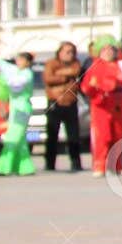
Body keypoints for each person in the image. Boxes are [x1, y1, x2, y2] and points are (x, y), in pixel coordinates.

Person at [80, 42, 122, 176]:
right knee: (103, 136)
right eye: (105, 50)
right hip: (101, 106)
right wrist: (94, 86)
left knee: (117, 135)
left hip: (117, 105)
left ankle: (117, 165)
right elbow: (86, 88)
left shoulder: (121, 66)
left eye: (111, 50)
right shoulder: (95, 67)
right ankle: (100, 165)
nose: (108, 53)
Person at [0, 53, 37, 176]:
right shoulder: (16, 71)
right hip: (15, 108)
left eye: (21, 60)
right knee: (20, 139)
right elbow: (3, 65)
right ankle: (25, 167)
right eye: (18, 59)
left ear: (28, 62)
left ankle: (4, 168)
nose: (18, 62)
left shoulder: (27, 74)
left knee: (12, 138)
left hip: (22, 109)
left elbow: (16, 84)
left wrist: (2, 80)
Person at [43, 42, 83, 172]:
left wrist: (61, 73)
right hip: (55, 101)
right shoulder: (51, 63)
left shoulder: (75, 63)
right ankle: (50, 164)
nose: (69, 54)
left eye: (72, 52)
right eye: (67, 51)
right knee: (52, 134)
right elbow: (49, 78)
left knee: (73, 135)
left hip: (71, 102)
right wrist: (66, 75)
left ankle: (76, 163)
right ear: (59, 52)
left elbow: (77, 71)